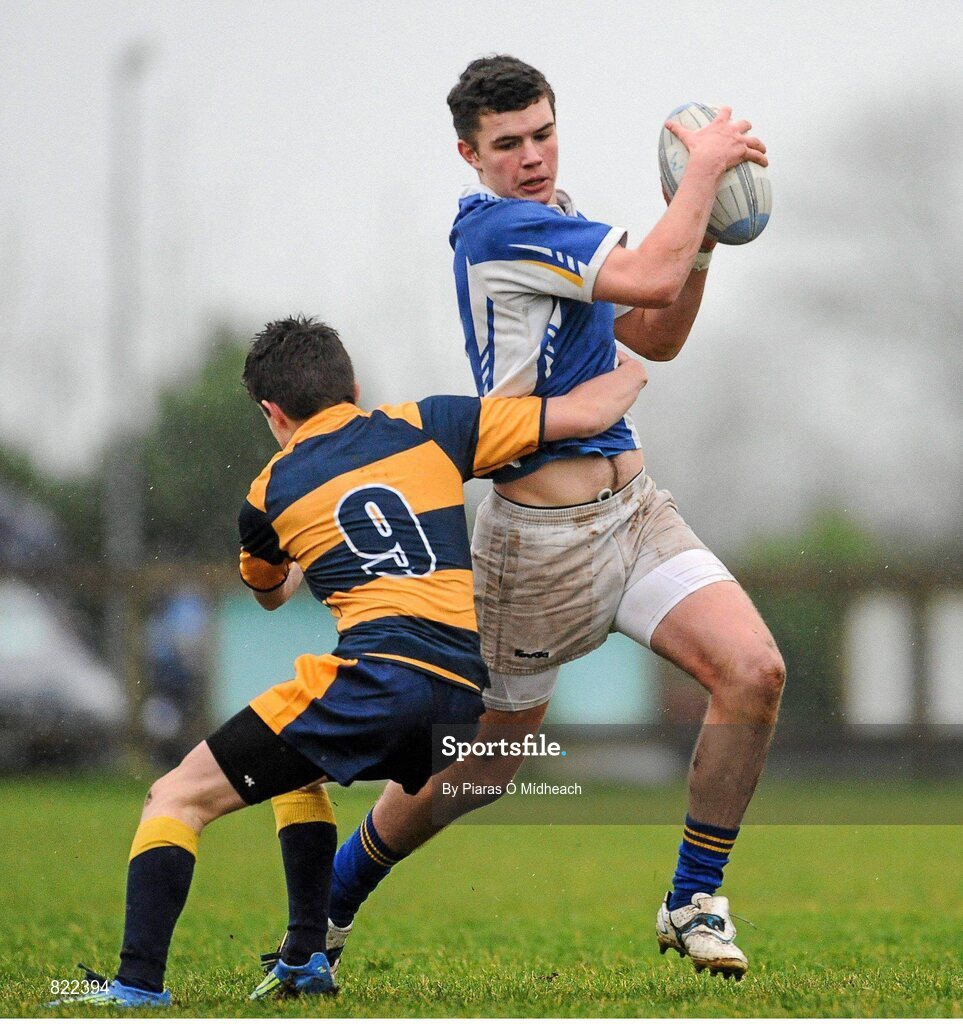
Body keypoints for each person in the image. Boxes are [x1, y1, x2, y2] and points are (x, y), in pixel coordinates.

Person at [319, 56, 784, 982]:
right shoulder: (498, 230)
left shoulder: (560, 217)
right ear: (470, 153)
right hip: (535, 552)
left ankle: (693, 897)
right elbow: (644, 283)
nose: (530, 156)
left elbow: (656, 331)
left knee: (753, 671)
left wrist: (700, 243)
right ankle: (327, 901)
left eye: (541, 133)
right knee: (484, 770)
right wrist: (702, 173)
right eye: (506, 144)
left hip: (635, 516)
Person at [50, 314, 647, 1007]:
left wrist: (310, 544)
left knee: (174, 797)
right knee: (299, 770)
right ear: (353, 385)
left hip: (377, 679)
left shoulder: (268, 492)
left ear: (272, 413)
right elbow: (591, 408)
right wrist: (636, 355)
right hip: (459, 696)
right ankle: (305, 958)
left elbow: (270, 592)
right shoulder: (429, 423)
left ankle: (136, 986)